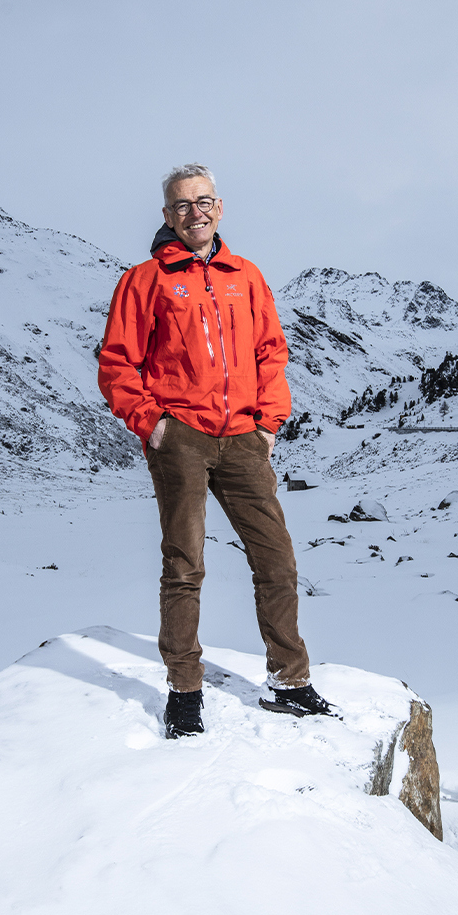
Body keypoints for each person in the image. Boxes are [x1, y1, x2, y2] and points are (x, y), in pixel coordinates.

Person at [97, 164, 332, 738]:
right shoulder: (144, 280)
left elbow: (270, 353)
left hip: (245, 440)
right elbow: (117, 364)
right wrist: (154, 426)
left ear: (219, 207)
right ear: (167, 216)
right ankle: (184, 688)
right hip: (182, 440)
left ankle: (290, 680)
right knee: (185, 564)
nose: (194, 212)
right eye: (181, 205)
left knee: (276, 561)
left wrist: (269, 423)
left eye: (203, 201)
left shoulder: (245, 276)